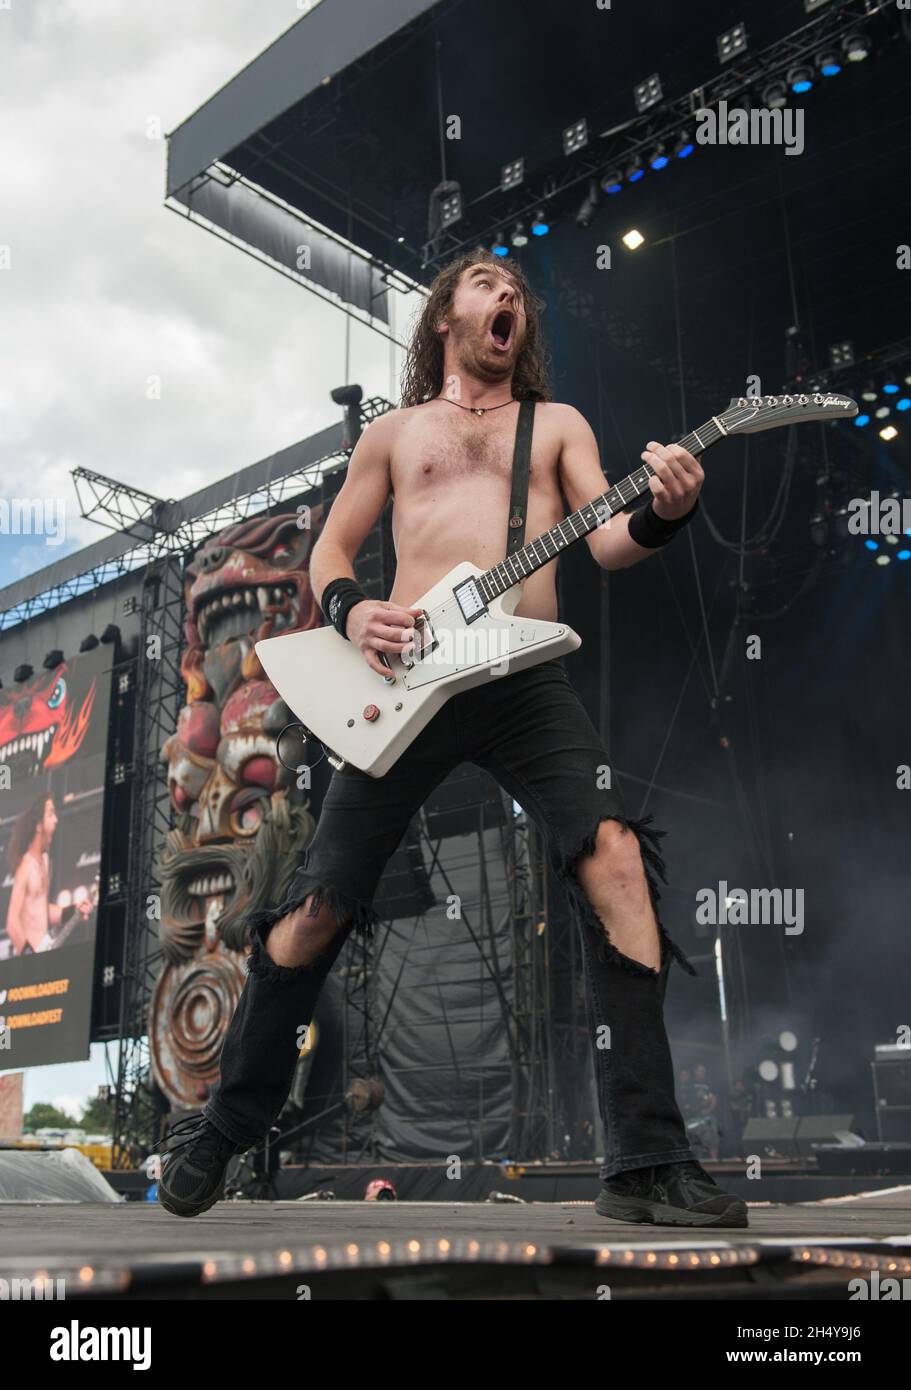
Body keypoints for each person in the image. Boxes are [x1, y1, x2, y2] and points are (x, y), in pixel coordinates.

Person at [159, 248, 747, 1228]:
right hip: (404, 684)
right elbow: (333, 550)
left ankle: (645, 1159)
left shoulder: (554, 425)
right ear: (445, 316)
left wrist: (667, 509)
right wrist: (351, 614)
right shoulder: (394, 433)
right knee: (316, 910)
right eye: (485, 281)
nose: (506, 291)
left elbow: (607, 539)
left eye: (517, 285)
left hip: (521, 672)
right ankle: (225, 1129)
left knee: (613, 859)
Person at [4, 794, 91, 955]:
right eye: (50, 814)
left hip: (46, 950)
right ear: (38, 825)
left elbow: (41, 911)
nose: (56, 820)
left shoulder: (45, 860)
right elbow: (12, 923)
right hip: (31, 960)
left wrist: (73, 911)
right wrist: (29, 956)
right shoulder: (25, 867)